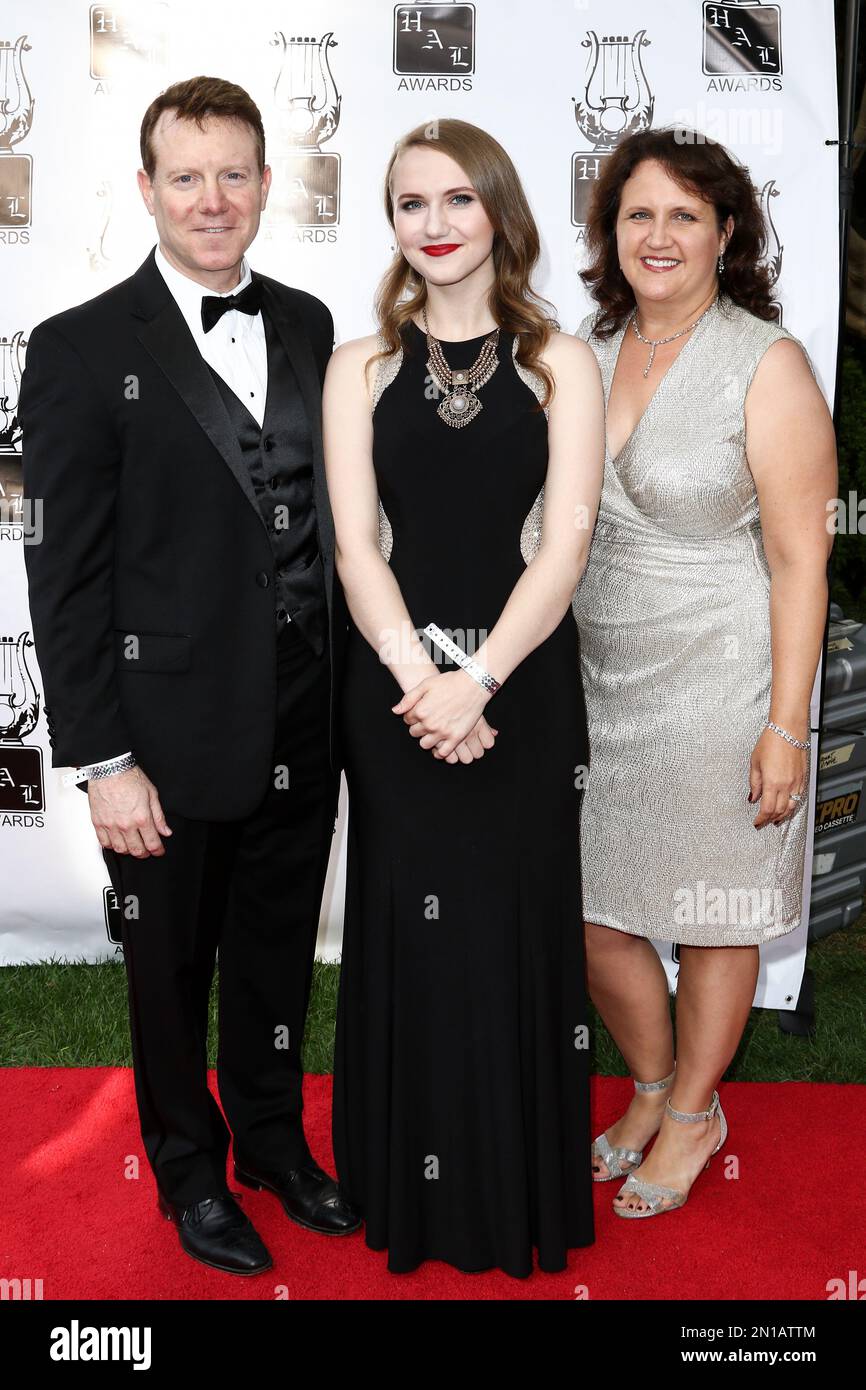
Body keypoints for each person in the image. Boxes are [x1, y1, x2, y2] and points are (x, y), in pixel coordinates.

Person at [18, 75, 359, 1275]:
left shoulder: (313, 324)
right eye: (186, 176)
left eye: (233, 174)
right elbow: (62, 576)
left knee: (275, 950)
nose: (211, 199)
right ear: (147, 189)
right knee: (168, 971)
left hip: (303, 718)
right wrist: (103, 759)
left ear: (268, 186)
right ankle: (185, 1170)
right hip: (158, 735)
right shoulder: (75, 349)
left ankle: (270, 1138)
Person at [323, 118, 605, 1276]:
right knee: (412, 932)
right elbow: (355, 549)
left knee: (509, 929)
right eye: (407, 203)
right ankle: (410, 1192)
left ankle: (511, 1192)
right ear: (388, 223)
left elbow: (570, 541)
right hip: (394, 697)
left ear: (497, 211)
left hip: (524, 688)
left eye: (454, 200)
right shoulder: (358, 367)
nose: (432, 224)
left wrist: (478, 677)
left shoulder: (559, 363)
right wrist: (421, 683)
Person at [571, 127, 837, 1218]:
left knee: (716, 907)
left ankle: (690, 1112)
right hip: (596, 677)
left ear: (726, 234)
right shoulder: (580, 357)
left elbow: (797, 556)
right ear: (610, 234)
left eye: (685, 214)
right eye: (638, 214)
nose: (658, 234)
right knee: (589, 914)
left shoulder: (763, 362)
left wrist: (782, 725)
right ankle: (650, 1082)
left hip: (724, 672)